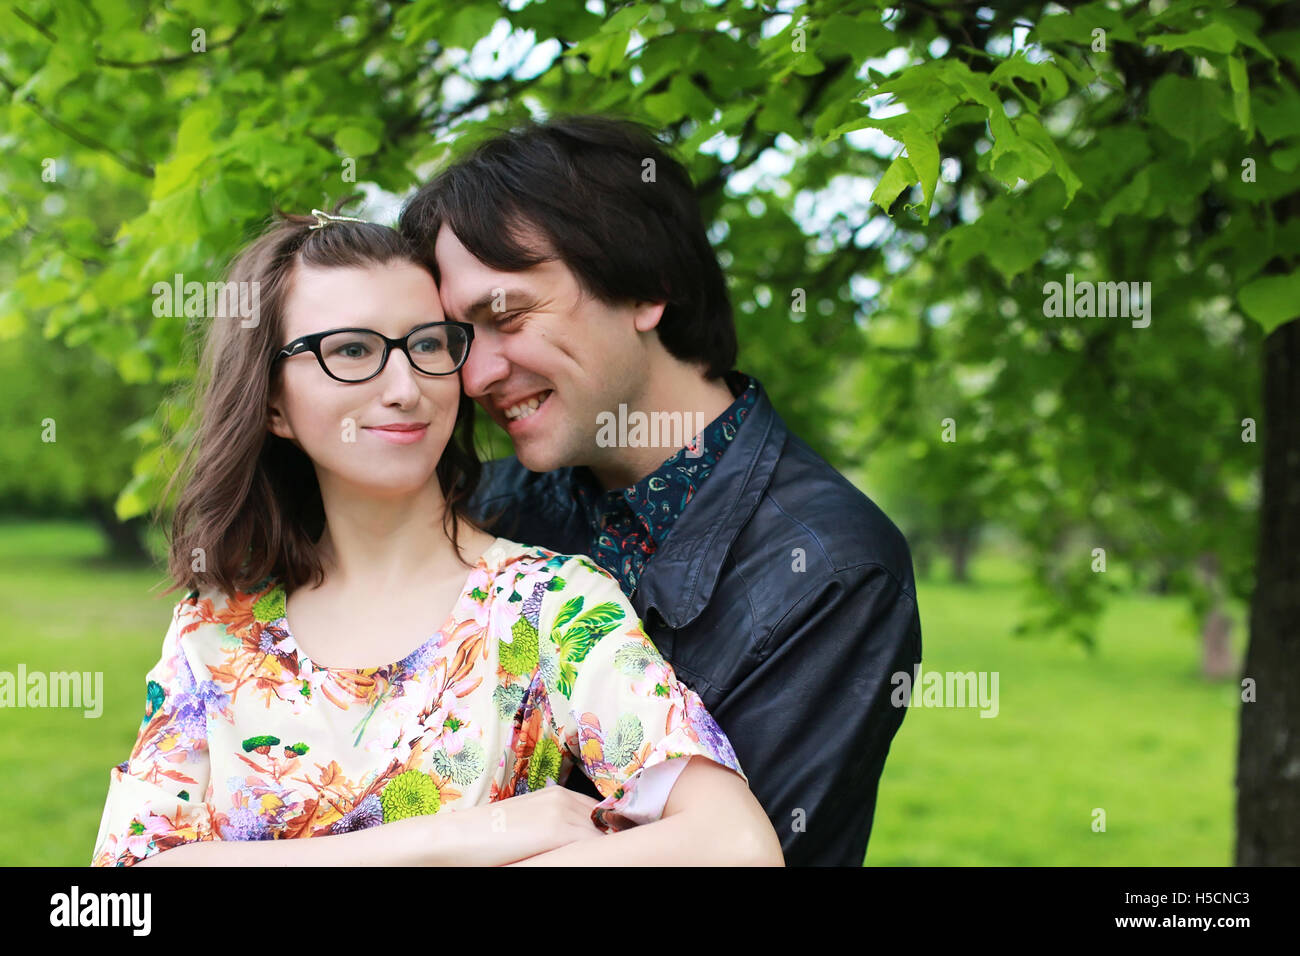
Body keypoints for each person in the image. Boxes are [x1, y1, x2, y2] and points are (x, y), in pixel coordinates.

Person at [90, 208, 783, 867]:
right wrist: (462, 839)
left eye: (427, 345)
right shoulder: (218, 628)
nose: (405, 387)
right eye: (352, 350)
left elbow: (736, 846)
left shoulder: (546, 608)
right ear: (272, 401)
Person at [397, 115, 924, 867]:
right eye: (455, 337)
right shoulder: (485, 512)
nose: (475, 376)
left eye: (506, 314)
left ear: (645, 287)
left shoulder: (830, 569)